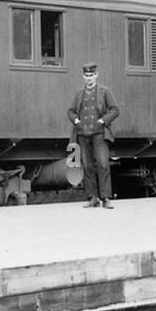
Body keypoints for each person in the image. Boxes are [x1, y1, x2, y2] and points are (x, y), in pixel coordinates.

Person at [68, 62, 120, 208]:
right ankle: (93, 197)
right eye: (86, 75)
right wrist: (76, 121)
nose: (89, 78)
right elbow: (70, 111)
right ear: (83, 76)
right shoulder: (79, 93)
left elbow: (115, 110)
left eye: (91, 75)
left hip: (99, 134)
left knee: (103, 164)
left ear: (96, 75)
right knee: (87, 166)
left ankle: (106, 198)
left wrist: (103, 120)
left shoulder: (105, 91)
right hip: (83, 133)